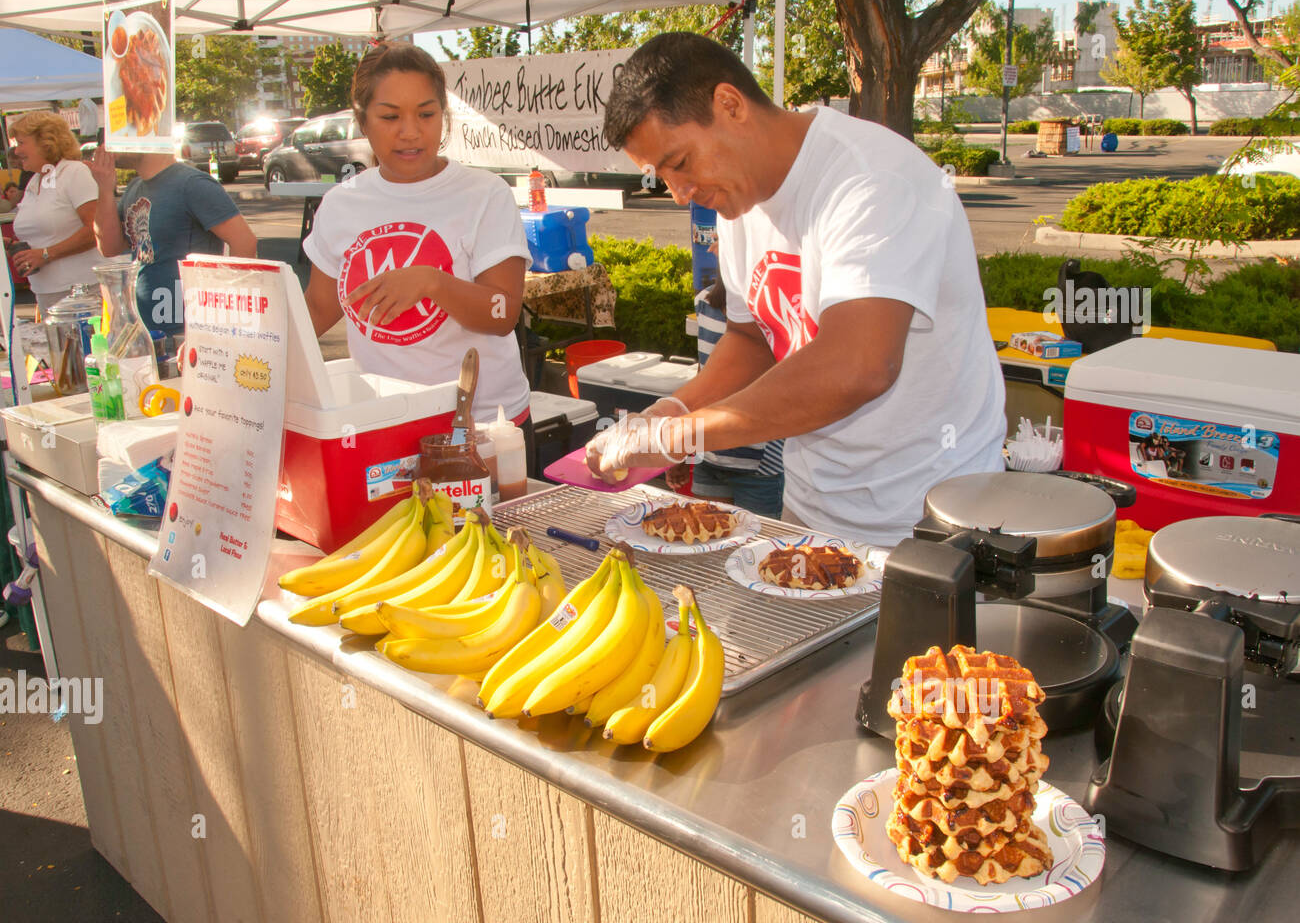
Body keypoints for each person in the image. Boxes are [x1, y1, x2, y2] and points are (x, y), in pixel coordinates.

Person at [587, 33, 1006, 545]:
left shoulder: (871, 180)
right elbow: (752, 339)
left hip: (928, 521)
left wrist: (683, 437)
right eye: (661, 175)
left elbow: (861, 365)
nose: (679, 194)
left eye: (680, 163)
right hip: (811, 508)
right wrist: (671, 410)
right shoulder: (737, 200)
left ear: (730, 105)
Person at [301, 42, 532, 428]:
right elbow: (317, 310)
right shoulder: (341, 204)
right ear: (362, 121)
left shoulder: (484, 194)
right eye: (390, 117)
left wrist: (432, 283)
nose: (410, 132)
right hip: (384, 423)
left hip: (482, 426)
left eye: (426, 114)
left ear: (443, 115)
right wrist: (242, 346)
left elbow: (502, 312)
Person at [87, 146, 257, 336]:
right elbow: (109, 247)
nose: (109, 144)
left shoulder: (191, 184)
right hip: (149, 331)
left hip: (186, 334)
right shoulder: (135, 188)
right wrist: (104, 188)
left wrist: (218, 322)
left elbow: (245, 242)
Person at [666, 277, 785, 517]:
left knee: (756, 550)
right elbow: (704, 377)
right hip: (708, 457)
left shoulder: (778, 309)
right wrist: (681, 451)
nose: (712, 246)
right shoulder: (705, 302)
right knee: (707, 542)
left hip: (762, 468)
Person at [8, 111, 105, 309]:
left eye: (21, 143)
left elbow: (96, 228)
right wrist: (13, 246)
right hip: (47, 293)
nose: (16, 151)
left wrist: (45, 254)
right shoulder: (36, 180)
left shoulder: (73, 172)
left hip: (81, 292)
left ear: (46, 142)